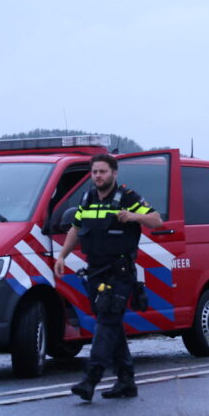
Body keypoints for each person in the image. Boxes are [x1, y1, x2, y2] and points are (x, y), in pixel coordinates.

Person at [56, 154, 163, 402]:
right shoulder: (88, 198)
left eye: (102, 172)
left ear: (114, 174)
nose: (98, 176)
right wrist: (62, 256)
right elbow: (76, 228)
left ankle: (90, 379)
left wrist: (134, 216)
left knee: (106, 321)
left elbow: (157, 220)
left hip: (119, 272)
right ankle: (126, 381)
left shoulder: (128, 197)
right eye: (94, 172)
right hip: (94, 271)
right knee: (111, 323)